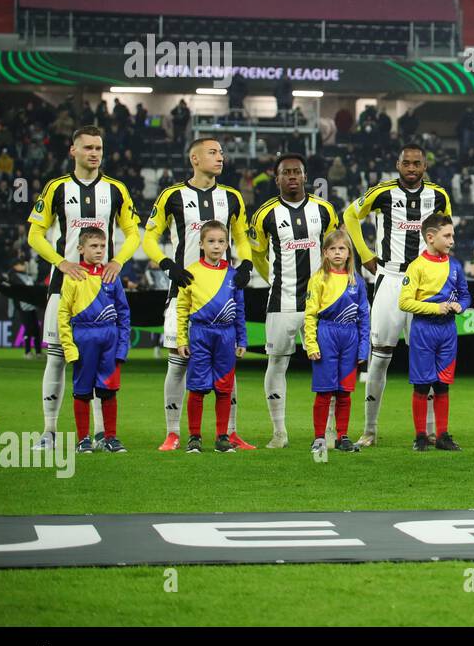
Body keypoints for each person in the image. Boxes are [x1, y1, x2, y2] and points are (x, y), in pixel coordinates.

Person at [28, 125, 141, 451]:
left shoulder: (116, 189)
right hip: (64, 285)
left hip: (102, 287)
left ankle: (102, 435)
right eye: (88, 147)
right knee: (56, 358)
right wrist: (60, 263)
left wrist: (117, 261)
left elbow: (133, 233)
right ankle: (49, 431)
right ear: (73, 151)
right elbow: (34, 234)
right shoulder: (56, 188)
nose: (94, 153)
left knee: (99, 360)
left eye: (99, 148)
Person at [145, 138, 253, 451]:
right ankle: (173, 432)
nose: (221, 157)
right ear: (194, 158)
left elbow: (242, 238)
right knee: (178, 362)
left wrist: (244, 264)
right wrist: (167, 265)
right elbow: (150, 237)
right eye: (213, 152)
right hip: (184, 291)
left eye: (221, 152)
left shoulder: (232, 197)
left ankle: (229, 432)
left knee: (227, 366)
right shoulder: (172, 195)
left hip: (222, 293)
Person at [343, 144, 452, 447]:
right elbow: (349, 216)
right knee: (379, 359)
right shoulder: (382, 192)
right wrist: (364, 254)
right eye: (407, 163)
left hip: (425, 282)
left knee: (426, 359)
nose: (412, 168)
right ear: (398, 163)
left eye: (417, 163)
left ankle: (430, 431)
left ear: (425, 166)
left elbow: (446, 234)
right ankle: (369, 430)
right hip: (389, 277)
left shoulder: (439, 195)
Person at [248, 154, 340, 448]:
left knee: (327, 365)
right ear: (276, 179)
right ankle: (279, 432)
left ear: (304, 176)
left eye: (296, 172)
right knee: (276, 363)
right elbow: (257, 254)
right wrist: (273, 279)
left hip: (320, 302)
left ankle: (329, 431)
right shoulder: (264, 214)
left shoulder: (324, 210)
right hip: (282, 300)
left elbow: (336, 248)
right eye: (285, 172)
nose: (291, 176)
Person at [398, 213, 470, 452]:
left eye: (453, 235)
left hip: (448, 330)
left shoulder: (455, 266)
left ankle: (442, 436)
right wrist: (435, 307)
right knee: (421, 385)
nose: (452, 241)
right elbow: (405, 302)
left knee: (442, 385)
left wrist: (462, 305)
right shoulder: (416, 266)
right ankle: (420, 436)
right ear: (430, 237)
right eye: (447, 235)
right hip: (424, 329)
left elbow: (465, 295)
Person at [175, 220, 249, 454]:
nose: (216, 246)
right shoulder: (191, 273)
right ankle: (194, 437)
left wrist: (242, 339)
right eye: (211, 241)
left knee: (224, 388)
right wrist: (181, 340)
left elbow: (239, 309)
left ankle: (222, 437)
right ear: (201, 244)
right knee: (197, 387)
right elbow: (182, 309)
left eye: (221, 242)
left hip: (226, 336)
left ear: (227, 244)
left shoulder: (234, 275)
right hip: (200, 334)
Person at [58, 227, 131, 453]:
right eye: (93, 246)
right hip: (84, 338)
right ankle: (83, 440)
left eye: (102, 246)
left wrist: (122, 347)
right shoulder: (73, 277)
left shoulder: (112, 276)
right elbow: (63, 315)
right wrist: (69, 348)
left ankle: (110, 438)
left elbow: (124, 313)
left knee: (109, 390)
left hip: (109, 339)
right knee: (82, 391)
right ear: (80, 249)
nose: (99, 251)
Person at [304, 229, 370, 458]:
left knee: (344, 392)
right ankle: (319, 437)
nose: (337, 253)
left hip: (349, 337)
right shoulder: (318, 280)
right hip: (327, 334)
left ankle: (342, 436)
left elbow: (364, 316)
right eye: (332, 249)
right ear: (325, 253)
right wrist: (311, 345)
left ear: (349, 253)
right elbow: (310, 315)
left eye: (342, 248)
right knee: (324, 391)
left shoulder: (357, 281)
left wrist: (363, 348)